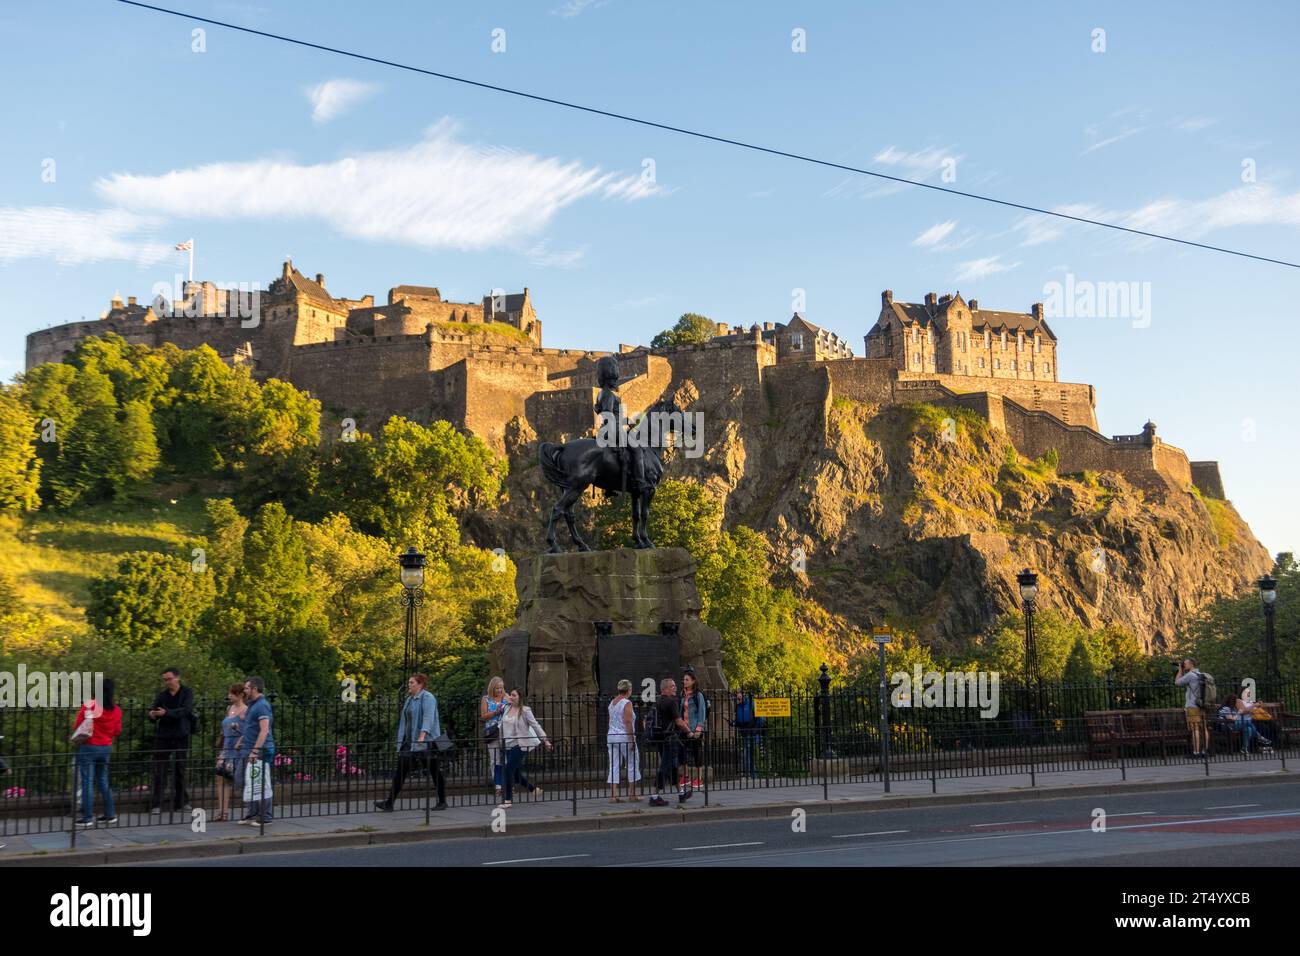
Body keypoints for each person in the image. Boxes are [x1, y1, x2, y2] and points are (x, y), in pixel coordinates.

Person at [375, 674, 448, 812]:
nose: (409, 684)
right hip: (410, 743)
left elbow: (428, 718)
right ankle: (389, 803)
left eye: (412, 682)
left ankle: (442, 801)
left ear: (420, 684)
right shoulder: (409, 700)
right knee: (400, 772)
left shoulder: (428, 698)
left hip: (426, 742)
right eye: (409, 682)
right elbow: (405, 722)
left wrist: (422, 736)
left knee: (434, 771)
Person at [73, 678, 121, 828]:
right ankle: (110, 814)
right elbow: (117, 731)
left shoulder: (90, 705)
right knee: (103, 780)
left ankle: (87, 817)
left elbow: (78, 725)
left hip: (89, 746)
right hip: (106, 747)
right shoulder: (117, 710)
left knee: (87, 781)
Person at [148, 667, 195, 814]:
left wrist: (166, 713)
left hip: (181, 734)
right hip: (164, 735)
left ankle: (182, 802)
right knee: (159, 770)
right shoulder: (162, 695)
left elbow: (185, 711)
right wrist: (152, 714)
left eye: (169, 679)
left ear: (177, 678)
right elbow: (154, 710)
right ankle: (157, 804)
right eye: (165, 680)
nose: (167, 682)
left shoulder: (186, 693)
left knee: (180, 768)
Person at [499, 689, 552, 808]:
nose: (512, 697)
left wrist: (545, 740)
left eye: (514, 695)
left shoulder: (525, 710)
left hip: (520, 744)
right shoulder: (506, 708)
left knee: (508, 770)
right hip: (507, 744)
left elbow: (535, 725)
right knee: (516, 774)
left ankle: (508, 800)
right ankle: (533, 789)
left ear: (520, 697)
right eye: (511, 695)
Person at [236, 676, 275, 826]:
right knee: (243, 780)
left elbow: (264, 731)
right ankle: (253, 813)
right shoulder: (252, 705)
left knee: (260, 782)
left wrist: (255, 751)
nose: (244, 690)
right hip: (248, 747)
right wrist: (242, 740)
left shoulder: (262, 705)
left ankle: (266, 816)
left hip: (260, 749)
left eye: (246, 688)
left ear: (255, 689)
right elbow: (251, 726)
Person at [649, 677, 690, 806]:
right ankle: (654, 795)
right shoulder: (671, 702)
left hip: (660, 738)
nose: (675, 687)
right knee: (666, 766)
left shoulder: (658, 701)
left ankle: (681, 792)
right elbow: (678, 721)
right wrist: (689, 732)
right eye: (672, 686)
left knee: (672, 765)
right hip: (670, 739)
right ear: (665, 689)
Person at [214, 683, 247, 822]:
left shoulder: (246, 710)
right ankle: (223, 811)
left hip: (237, 747)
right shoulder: (229, 708)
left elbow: (249, 729)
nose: (230, 696)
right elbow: (225, 727)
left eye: (232, 693)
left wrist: (241, 741)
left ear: (240, 695)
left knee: (238, 780)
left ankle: (251, 809)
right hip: (226, 747)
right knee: (221, 778)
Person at [607, 679, 641, 803]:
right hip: (623, 736)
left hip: (611, 736)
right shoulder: (627, 702)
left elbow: (611, 720)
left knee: (614, 765)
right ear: (629, 690)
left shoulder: (612, 702)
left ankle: (613, 795)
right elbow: (627, 721)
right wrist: (631, 739)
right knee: (632, 762)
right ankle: (632, 794)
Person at [679, 667, 708, 790]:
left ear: (693, 681)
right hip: (685, 729)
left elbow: (702, 712)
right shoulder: (683, 695)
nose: (684, 681)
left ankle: (699, 778)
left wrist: (698, 729)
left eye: (686, 679)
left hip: (695, 729)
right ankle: (686, 776)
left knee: (697, 753)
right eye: (684, 679)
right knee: (682, 752)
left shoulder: (698, 695)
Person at [480, 676, 510, 797]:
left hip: (506, 731)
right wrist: (495, 712)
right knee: (495, 759)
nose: (499, 690)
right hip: (492, 732)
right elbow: (483, 716)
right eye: (497, 688)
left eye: (501, 688)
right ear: (492, 687)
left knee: (507, 759)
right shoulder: (486, 699)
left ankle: (508, 785)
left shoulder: (506, 697)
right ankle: (498, 786)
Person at [1175, 658, 1207, 757]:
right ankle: (1204, 751)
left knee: (1195, 729)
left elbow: (1177, 682)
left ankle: (1196, 752)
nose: (1184, 665)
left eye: (1185, 664)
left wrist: (1180, 670)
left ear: (1191, 664)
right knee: (1204, 728)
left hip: (1192, 705)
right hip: (1202, 705)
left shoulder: (1190, 675)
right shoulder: (1200, 675)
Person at [733, 689, 763, 779]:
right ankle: (752, 774)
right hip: (744, 733)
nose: (738, 697)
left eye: (740, 694)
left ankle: (750, 774)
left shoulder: (750, 704)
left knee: (748, 752)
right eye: (737, 695)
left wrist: (757, 730)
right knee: (749, 753)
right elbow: (739, 719)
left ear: (743, 695)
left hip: (753, 731)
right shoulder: (738, 707)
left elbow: (760, 718)